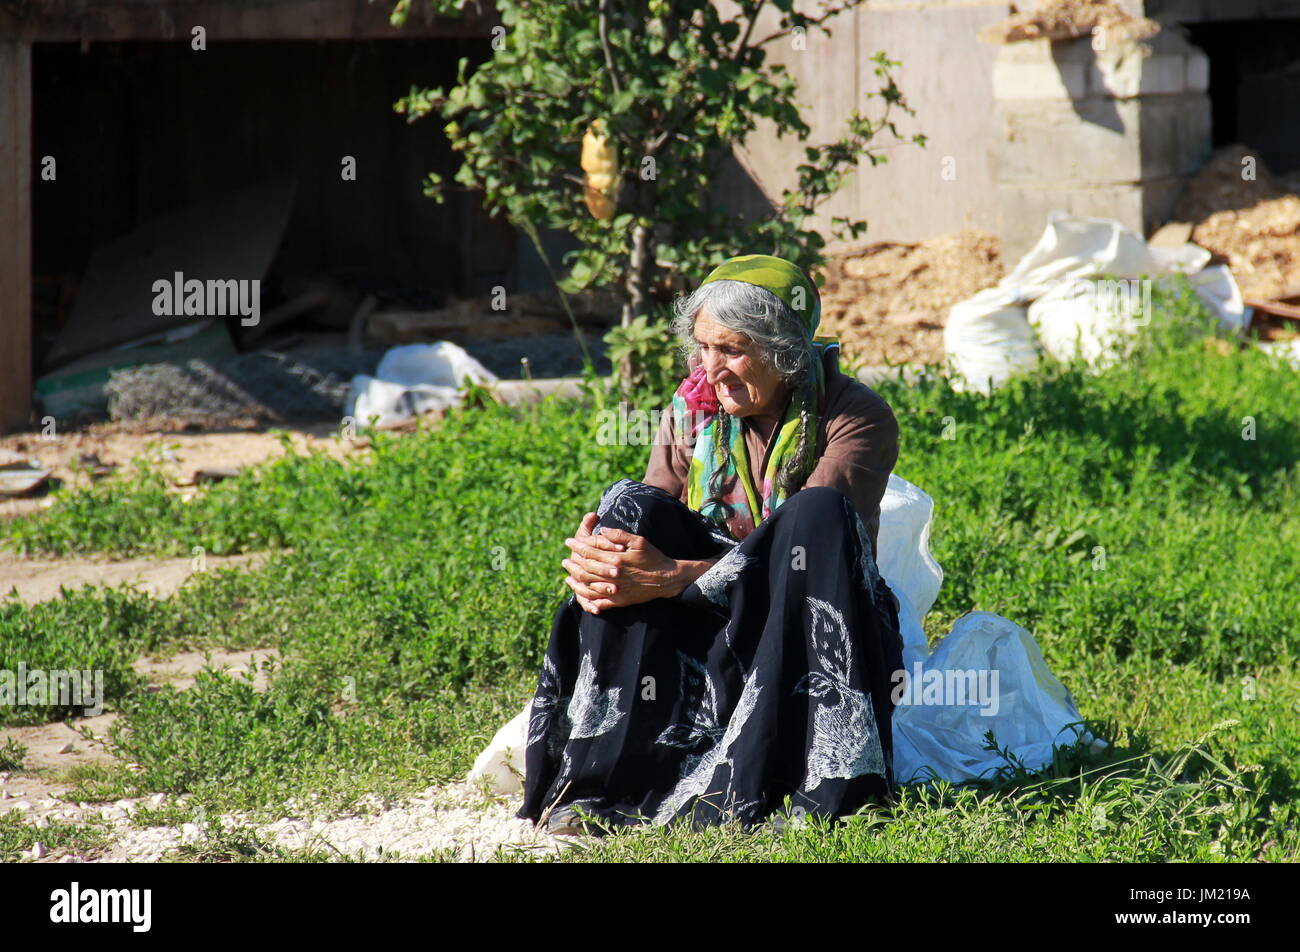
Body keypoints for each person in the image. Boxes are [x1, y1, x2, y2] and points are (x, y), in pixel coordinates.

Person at [518, 254, 906, 834]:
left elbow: (808, 561)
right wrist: (606, 557)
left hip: (811, 621)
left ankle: (819, 787)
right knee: (632, 506)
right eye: (703, 347)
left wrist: (674, 575)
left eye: (731, 350)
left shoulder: (854, 417)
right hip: (709, 613)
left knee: (814, 512)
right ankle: (608, 783)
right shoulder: (692, 409)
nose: (711, 369)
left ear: (785, 351)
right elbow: (652, 522)